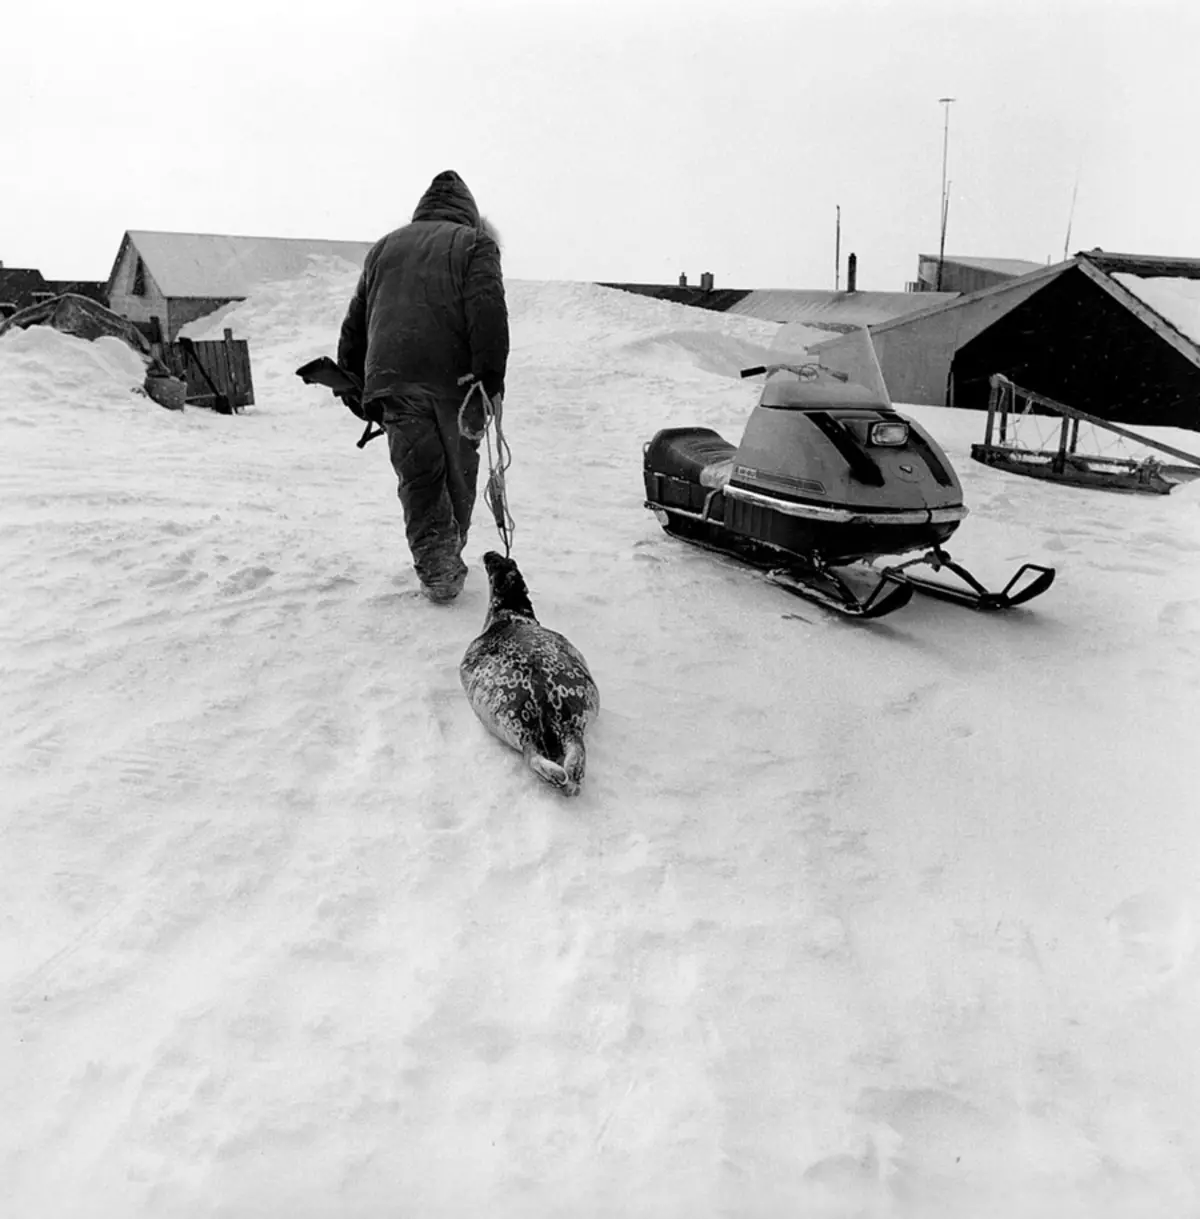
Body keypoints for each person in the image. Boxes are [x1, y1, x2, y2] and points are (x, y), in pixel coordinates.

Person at [337, 170, 509, 602]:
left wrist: (350, 381)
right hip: (458, 384)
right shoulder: (476, 244)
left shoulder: (384, 248)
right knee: (458, 473)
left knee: (419, 476)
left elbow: (357, 321)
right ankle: (444, 562)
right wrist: (492, 380)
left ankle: (438, 566)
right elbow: (487, 311)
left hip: (394, 379)